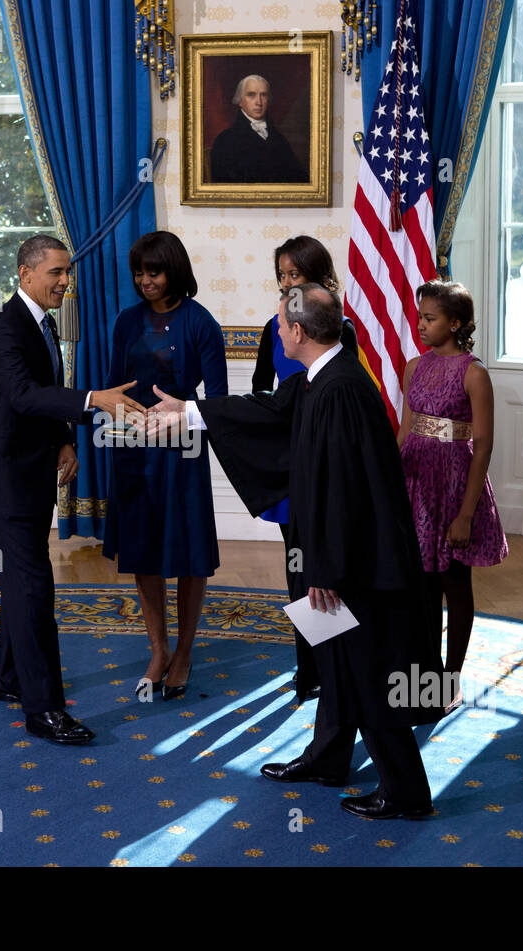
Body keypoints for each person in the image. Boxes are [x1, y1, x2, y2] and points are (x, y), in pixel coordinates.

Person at [148, 283, 445, 820]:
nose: (276, 333)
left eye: (280, 326)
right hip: (335, 553)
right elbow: (268, 411)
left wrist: (324, 568)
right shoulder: (321, 377)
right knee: (332, 657)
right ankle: (329, 757)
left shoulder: (339, 389)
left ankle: (406, 792)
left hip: (356, 562)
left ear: (299, 332)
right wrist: (191, 411)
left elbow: (341, 489)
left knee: (366, 666)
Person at [0, 235, 144, 744]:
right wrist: (92, 400)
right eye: (57, 273)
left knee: (20, 584)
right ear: (25, 273)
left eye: (68, 273)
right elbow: (22, 395)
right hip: (6, 481)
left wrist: (64, 440)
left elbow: (41, 397)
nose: (66, 282)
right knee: (34, 590)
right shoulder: (2, 331)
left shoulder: (42, 322)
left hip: (33, 471)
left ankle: (12, 680)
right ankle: (44, 711)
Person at [102, 231, 227, 701]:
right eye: (138, 272)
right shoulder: (125, 321)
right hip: (134, 452)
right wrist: (114, 419)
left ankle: (186, 651)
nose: (145, 280)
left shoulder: (201, 322)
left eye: (153, 271)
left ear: (174, 270)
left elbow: (218, 401)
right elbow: (115, 387)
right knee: (142, 550)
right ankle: (158, 650)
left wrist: (182, 415)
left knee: (189, 554)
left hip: (184, 453)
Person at [250, 235, 357, 703]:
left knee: (325, 567)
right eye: (283, 277)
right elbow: (259, 392)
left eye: (296, 275)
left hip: (325, 465)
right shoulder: (273, 329)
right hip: (290, 464)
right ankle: (308, 666)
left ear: (319, 277)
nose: (288, 284)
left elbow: (336, 399)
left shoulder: (340, 333)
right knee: (298, 570)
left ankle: (334, 663)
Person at [397, 280, 508, 710]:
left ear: (455, 323)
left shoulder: (474, 373)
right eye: (421, 317)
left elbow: (483, 445)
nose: (421, 325)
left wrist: (466, 513)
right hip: (416, 483)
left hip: (455, 484)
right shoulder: (413, 367)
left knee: (454, 582)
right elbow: (407, 429)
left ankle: (452, 676)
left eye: (430, 318)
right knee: (421, 583)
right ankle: (425, 673)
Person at [209, 75, 309, 183]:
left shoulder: (278, 137)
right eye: (251, 95)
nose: (259, 102)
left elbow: (299, 176)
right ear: (240, 101)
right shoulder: (225, 140)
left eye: (264, 95)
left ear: (268, 100)